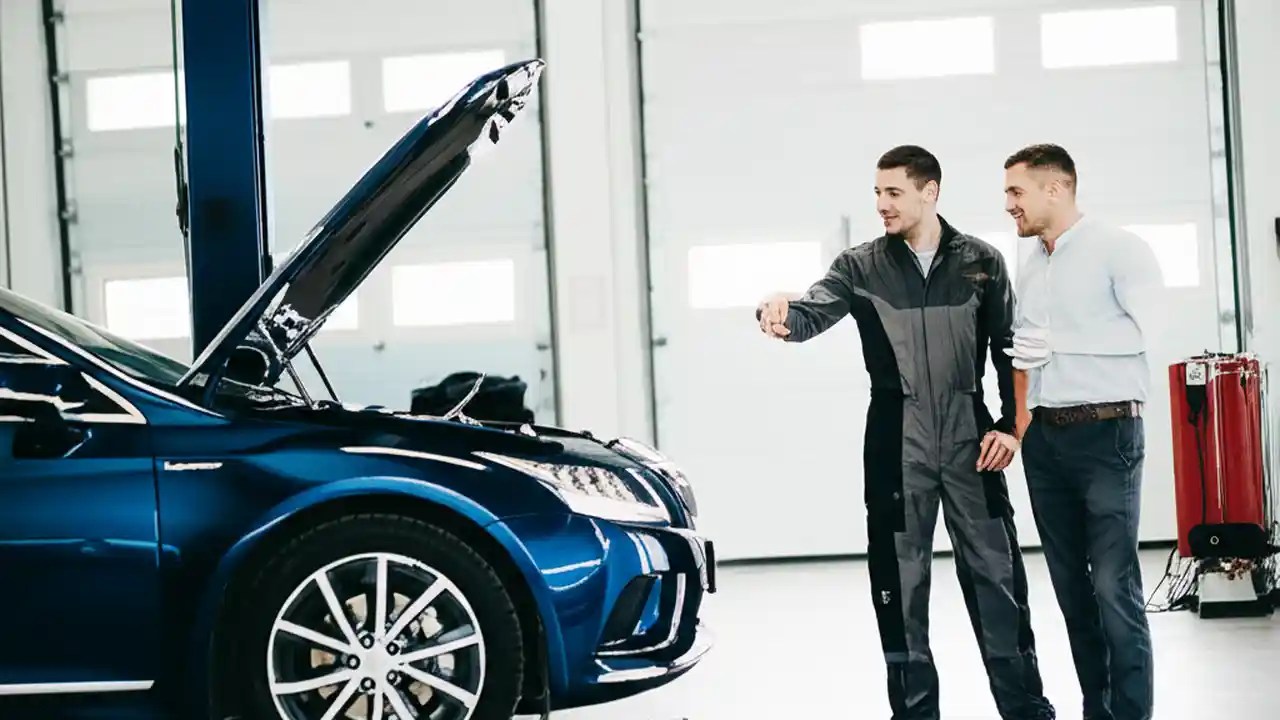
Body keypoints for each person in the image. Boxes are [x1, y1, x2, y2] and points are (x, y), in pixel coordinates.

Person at [757, 145, 1055, 720]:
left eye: (893, 192)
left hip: (972, 445)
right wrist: (777, 310)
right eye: (877, 193)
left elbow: (1010, 352)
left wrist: (1011, 428)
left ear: (929, 191)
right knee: (900, 587)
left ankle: (1026, 710)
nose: (881, 204)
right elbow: (810, 313)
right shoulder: (859, 266)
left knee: (998, 580)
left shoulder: (982, 263)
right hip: (895, 446)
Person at [1002, 143, 1160, 720]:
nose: (1009, 204)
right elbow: (1025, 355)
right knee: (1071, 589)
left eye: (1016, 191)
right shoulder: (1030, 263)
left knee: (1114, 587)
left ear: (1055, 188)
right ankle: (1099, 709)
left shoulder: (1119, 248)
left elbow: (1148, 331)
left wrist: (1060, 343)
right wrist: (1020, 427)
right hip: (1046, 441)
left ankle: (1131, 713)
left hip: (1107, 434)